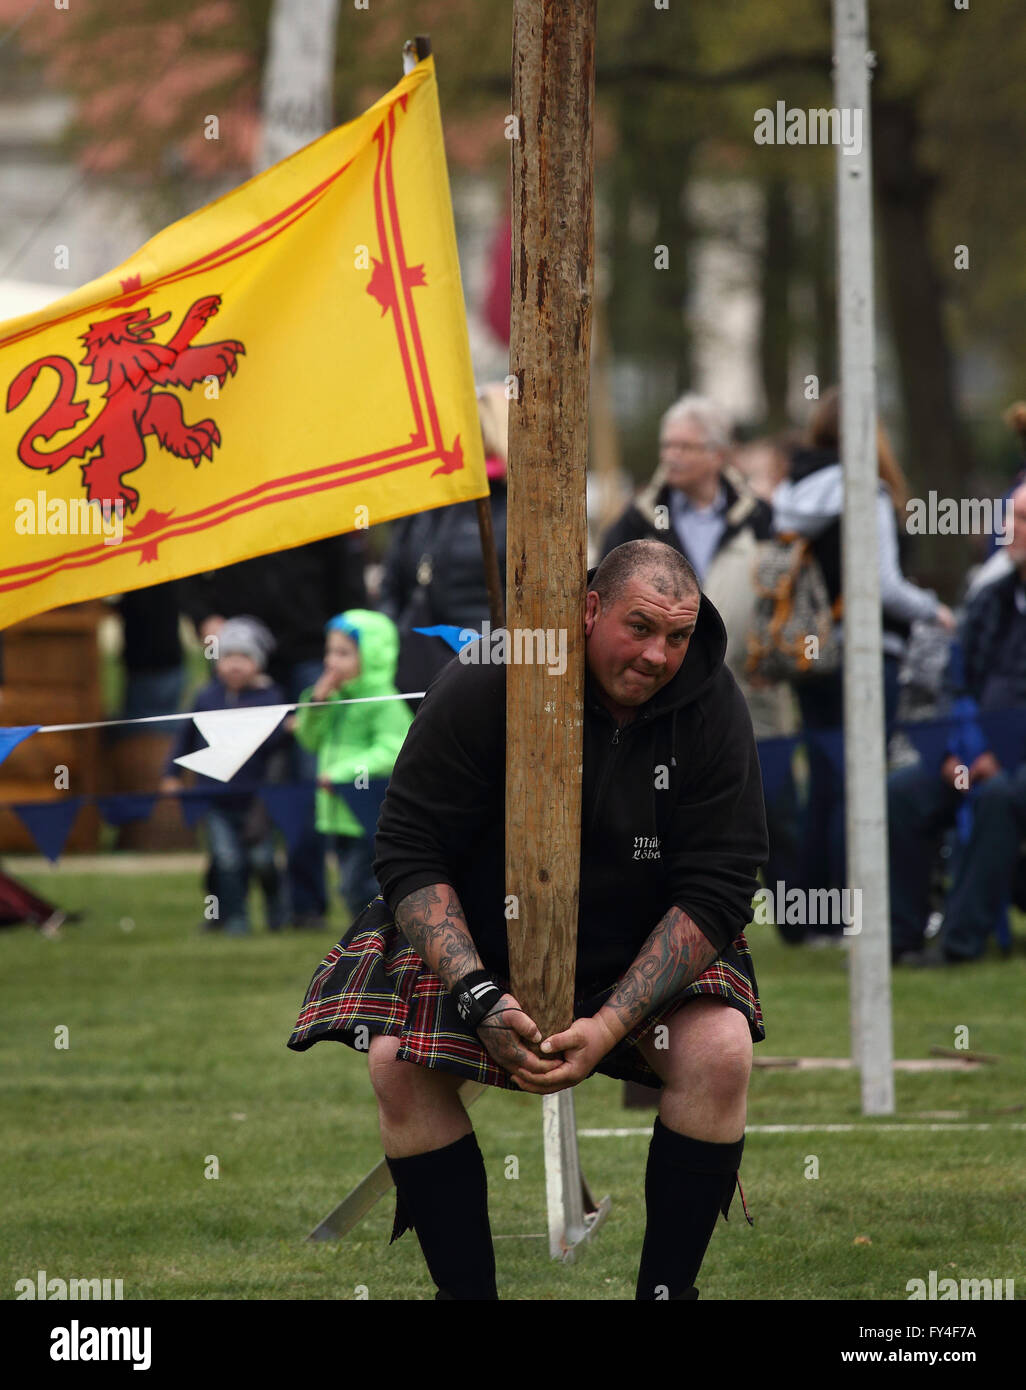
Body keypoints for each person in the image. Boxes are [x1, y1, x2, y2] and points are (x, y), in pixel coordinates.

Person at [287, 539, 768, 1301]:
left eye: (677, 636)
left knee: (720, 1052)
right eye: (639, 627)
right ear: (588, 609)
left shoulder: (711, 704)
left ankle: (666, 1296)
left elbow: (720, 884)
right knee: (397, 1064)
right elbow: (409, 845)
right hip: (482, 937)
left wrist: (610, 1023)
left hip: (639, 941)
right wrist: (477, 993)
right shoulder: (491, 676)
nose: (658, 656)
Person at [772, 388, 955, 927]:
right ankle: (847, 915)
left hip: (810, 653)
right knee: (857, 784)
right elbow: (883, 586)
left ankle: (808, 919)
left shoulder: (794, 489)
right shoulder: (863, 492)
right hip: (863, 652)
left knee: (825, 783)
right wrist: (935, 610)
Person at [179, 534, 368, 929]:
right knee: (227, 775)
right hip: (240, 657)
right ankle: (226, 908)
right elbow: (193, 552)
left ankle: (305, 906)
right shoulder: (227, 483)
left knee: (306, 786)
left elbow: (348, 575)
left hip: (309, 657)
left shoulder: (323, 497)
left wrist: (346, 646)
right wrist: (203, 615)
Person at [889, 483, 1026, 965]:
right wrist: (950, 753)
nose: (1009, 529)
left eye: (1023, 519)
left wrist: (1002, 755)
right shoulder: (990, 599)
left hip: (1014, 765)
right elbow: (953, 682)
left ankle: (959, 944)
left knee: (998, 797)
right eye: (1009, 517)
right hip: (973, 753)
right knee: (903, 792)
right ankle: (899, 938)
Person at [379, 384, 508, 709]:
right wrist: (398, 640)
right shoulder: (432, 500)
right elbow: (392, 584)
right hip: (418, 670)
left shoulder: (519, 508)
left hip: (488, 671)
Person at [161, 616, 286, 936]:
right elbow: (184, 738)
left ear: (257, 663)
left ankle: (277, 911)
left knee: (263, 861)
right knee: (228, 862)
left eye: (243, 657)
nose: (234, 665)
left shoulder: (272, 698)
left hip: (258, 802)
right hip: (215, 801)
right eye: (227, 657)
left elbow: (278, 748)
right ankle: (236, 918)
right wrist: (171, 773)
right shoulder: (206, 698)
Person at [292, 610, 412, 921]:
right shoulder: (336, 698)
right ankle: (366, 945)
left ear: (371, 656)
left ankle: (383, 941)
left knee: (361, 887)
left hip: (367, 812)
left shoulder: (384, 701)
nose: (331, 661)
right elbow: (310, 740)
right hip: (339, 812)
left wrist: (343, 774)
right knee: (349, 888)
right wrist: (317, 703)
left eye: (343, 653)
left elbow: (394, 748)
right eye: (329, 651)